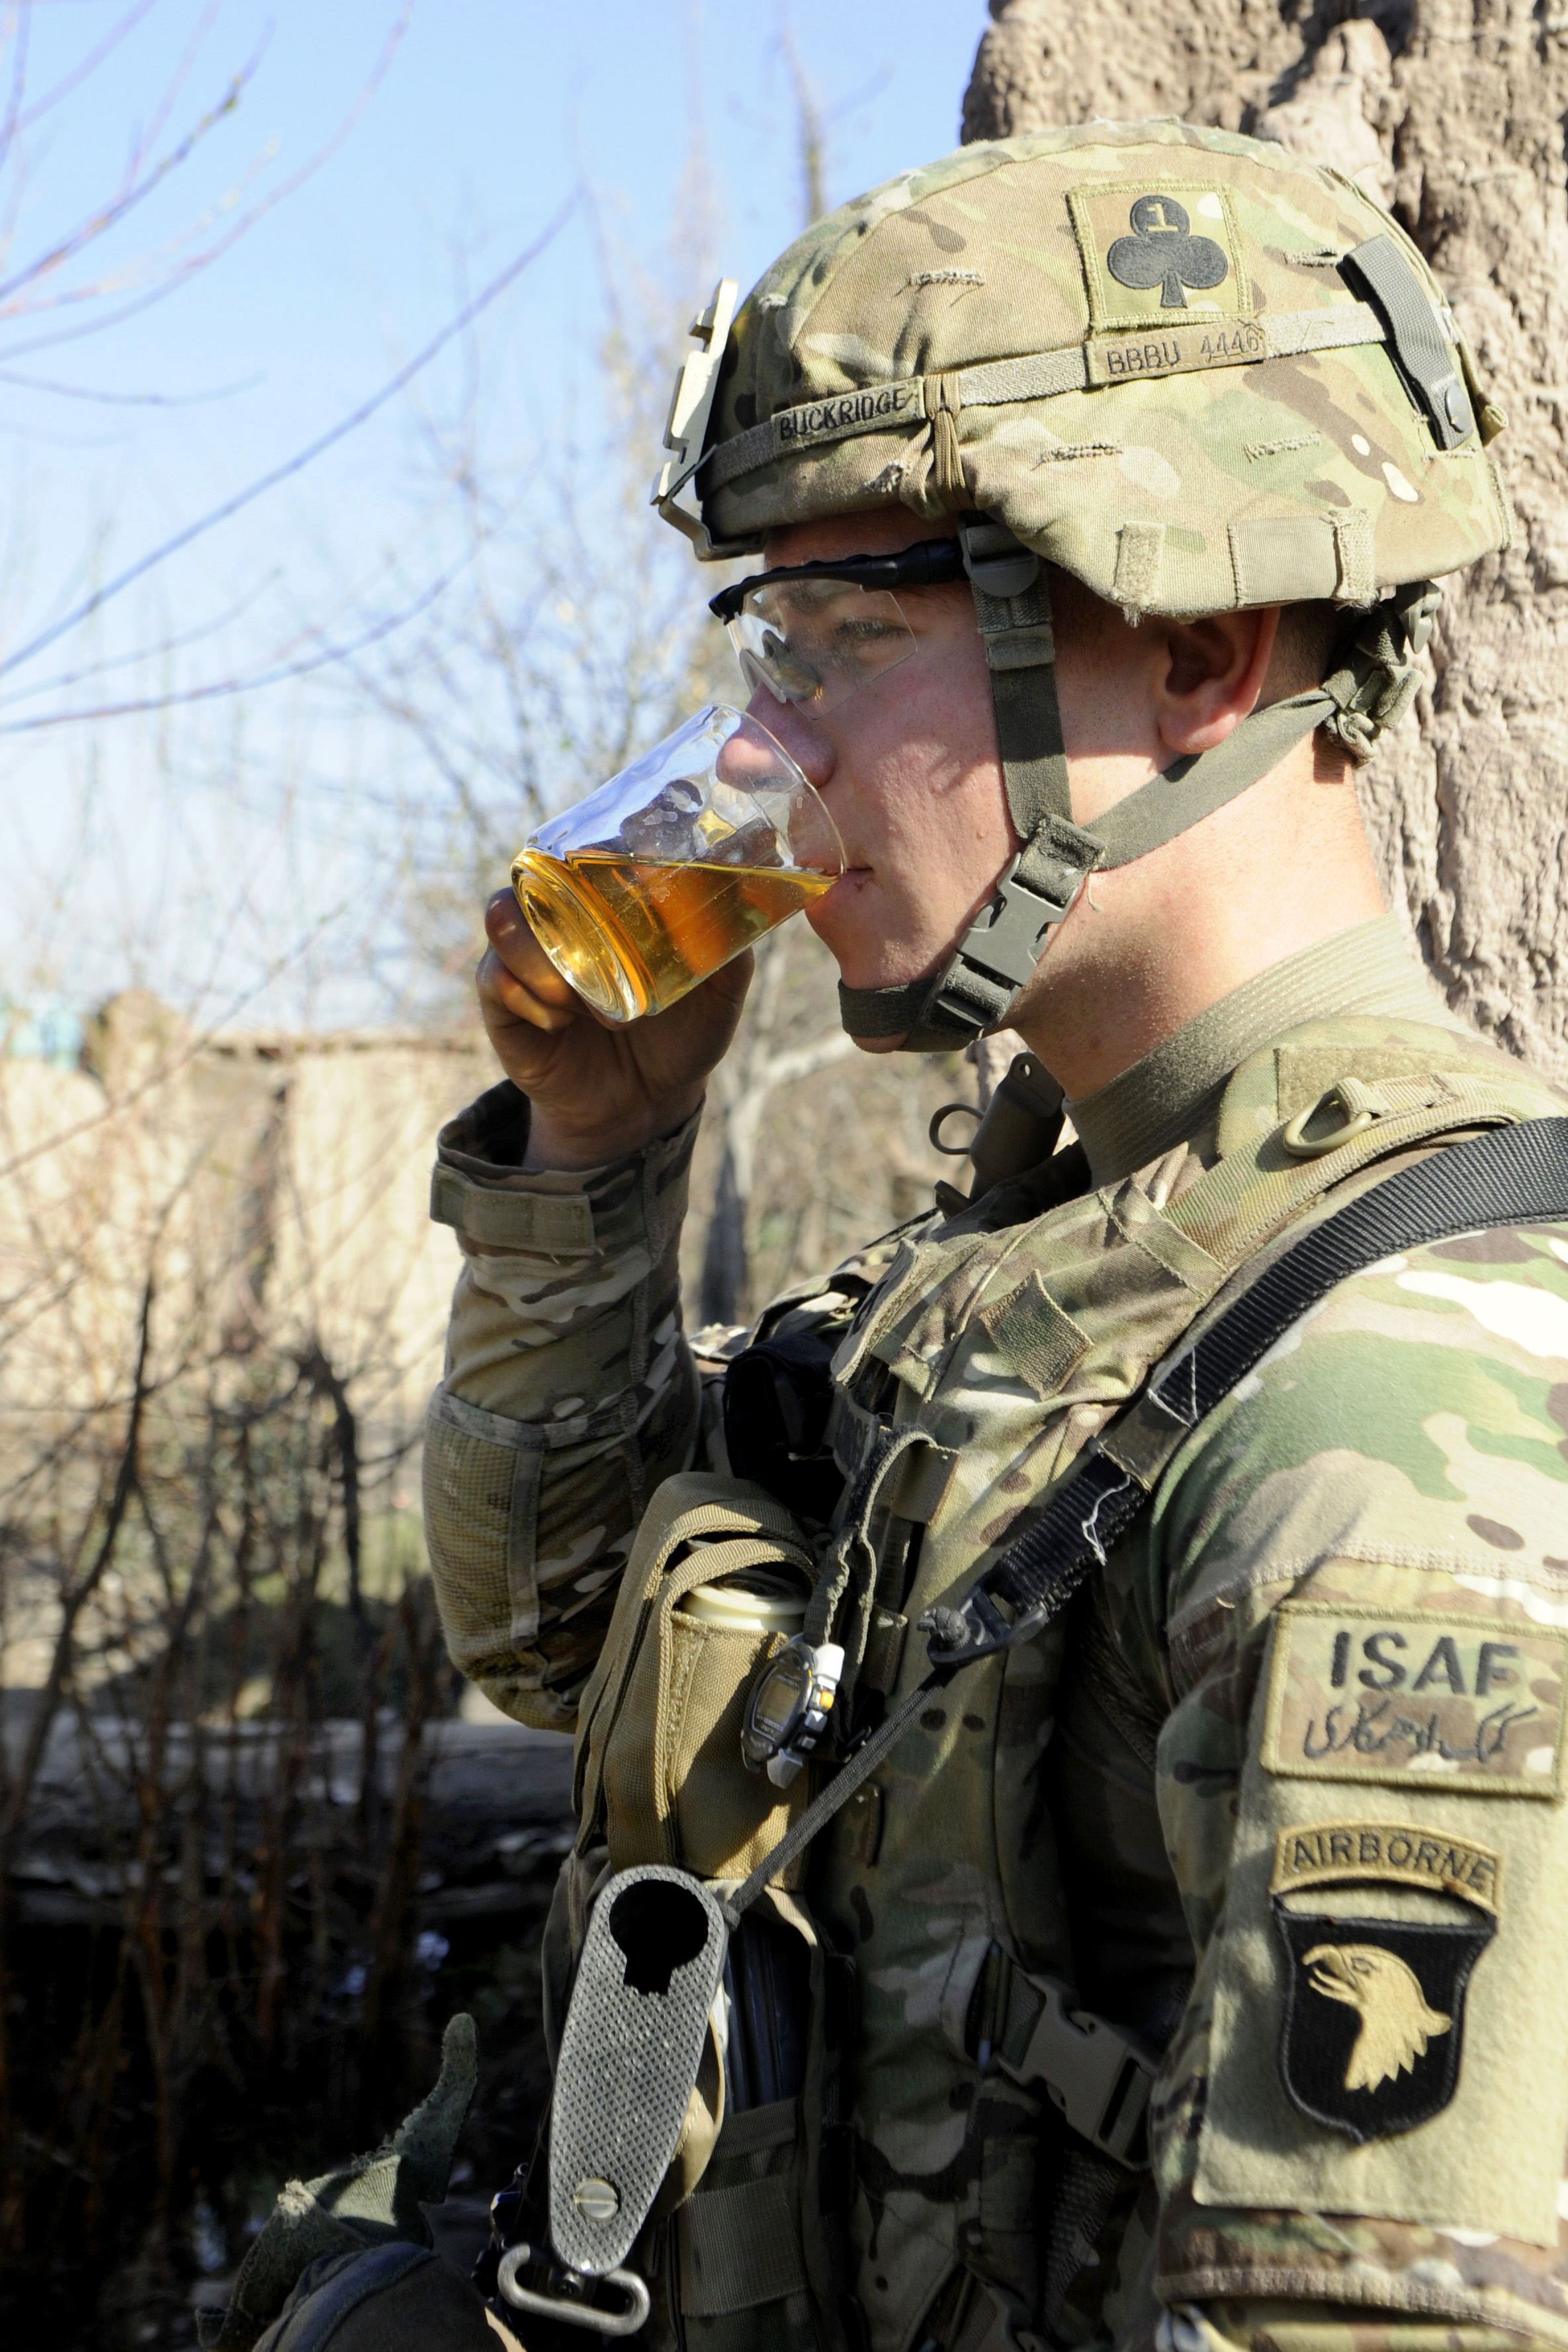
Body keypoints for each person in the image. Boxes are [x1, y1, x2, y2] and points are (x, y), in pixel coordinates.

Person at [224, 122, 1568, 2352]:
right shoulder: (1063, 1237)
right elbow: (562, 1643)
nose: (763, 748)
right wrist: (587, 1168)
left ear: (1203, 645)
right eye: (768, 646)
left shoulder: (1393, 1401)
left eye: (842, 638)